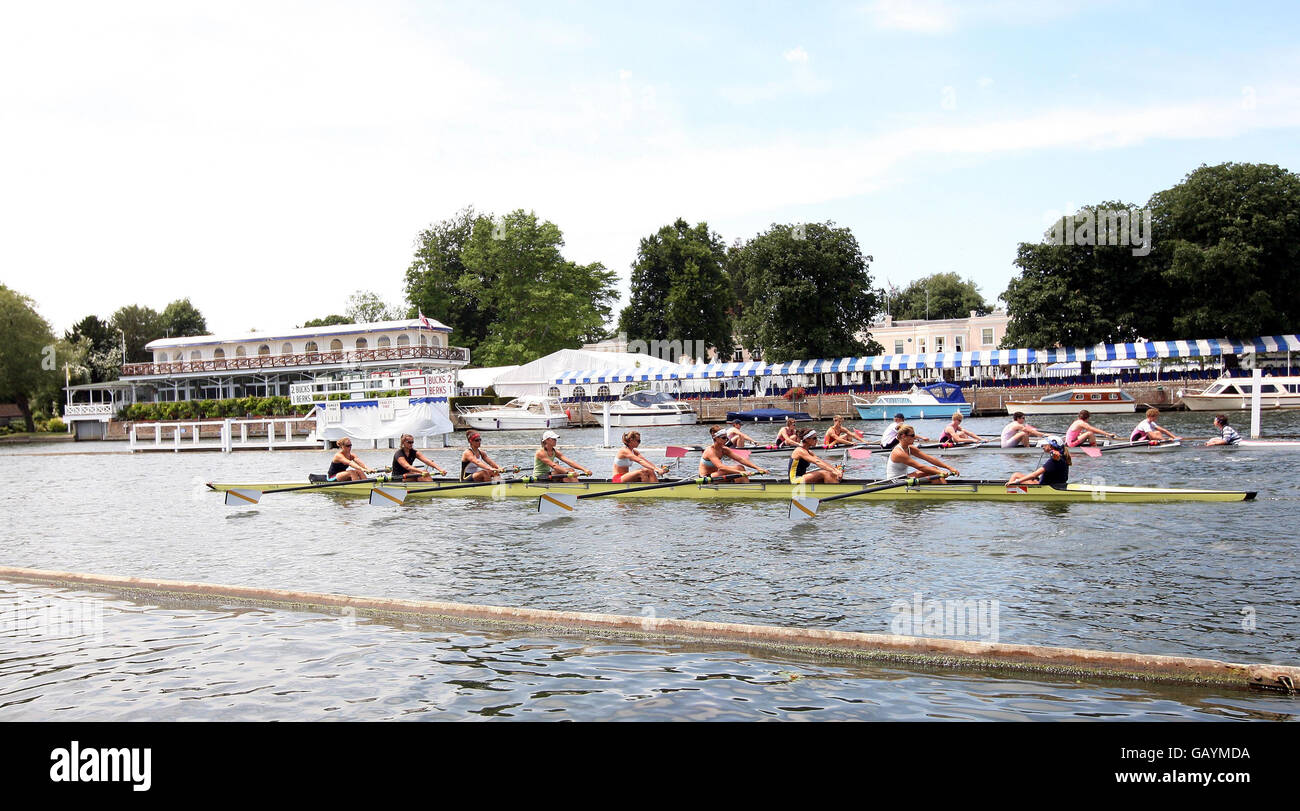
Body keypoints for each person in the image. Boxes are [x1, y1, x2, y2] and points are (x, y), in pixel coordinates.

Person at [887, 424, 960, 480]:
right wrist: (940, 472)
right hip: (895, 481)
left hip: (904, 477)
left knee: (934, 469)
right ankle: (943, 491)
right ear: (903, 436)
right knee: (933, 472)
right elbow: (920, 467)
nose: (915, 437)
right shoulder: (898, 453)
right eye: (912, 435)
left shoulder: (910, 448)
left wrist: (949, 467)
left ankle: (942, 489)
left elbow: (929, 458)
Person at [700, 427, 768, 483]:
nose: (726, 440)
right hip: (707, 478)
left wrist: (757, 468)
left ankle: (744, 486)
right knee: (739, 471)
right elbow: (721, 467)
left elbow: (740, 459)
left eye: (727, 438)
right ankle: (745, 488)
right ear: (716, 438)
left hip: (717, 475)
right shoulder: (710, 451)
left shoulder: (724, 449)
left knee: (740, 467)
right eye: (723, 438)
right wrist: (741, 472)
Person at [1007, 435, 1072, 485]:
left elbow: (1034, 475)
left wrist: (1017, 482)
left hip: (1045, 487)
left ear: (1051, 446)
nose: (1043, 446)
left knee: (1016, 475)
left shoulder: (1054, 460)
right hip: (1056, 485)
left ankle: (1009, 492)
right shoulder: (1064, 456)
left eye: (1045, 445)